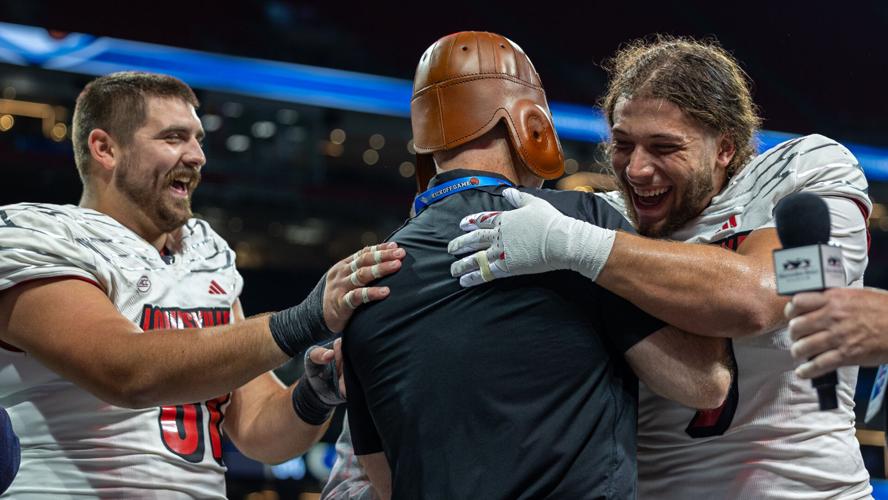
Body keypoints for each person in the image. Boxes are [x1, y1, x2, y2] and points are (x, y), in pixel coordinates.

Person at [448, 36, 873, 498]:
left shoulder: (806, 172)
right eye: (624, 145)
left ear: (725, 148)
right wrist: (358, 303)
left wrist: (577, 244)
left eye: (664, 147)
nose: (636, 169)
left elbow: (759, 298)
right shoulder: (596, 218)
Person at [340, 31, 731, 500]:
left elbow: (383, 477)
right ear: (533, 125)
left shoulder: (367, 280)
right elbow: (704, 383)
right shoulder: (578, 227)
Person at [0, 71, 405, 498]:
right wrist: (302, 320)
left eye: (198, 139)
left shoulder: (205, 252)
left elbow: (258, 430)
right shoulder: (36, 235)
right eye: (174, 138)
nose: (197, 156)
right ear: (105, 148)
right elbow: (126, 371)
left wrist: (314, 396)